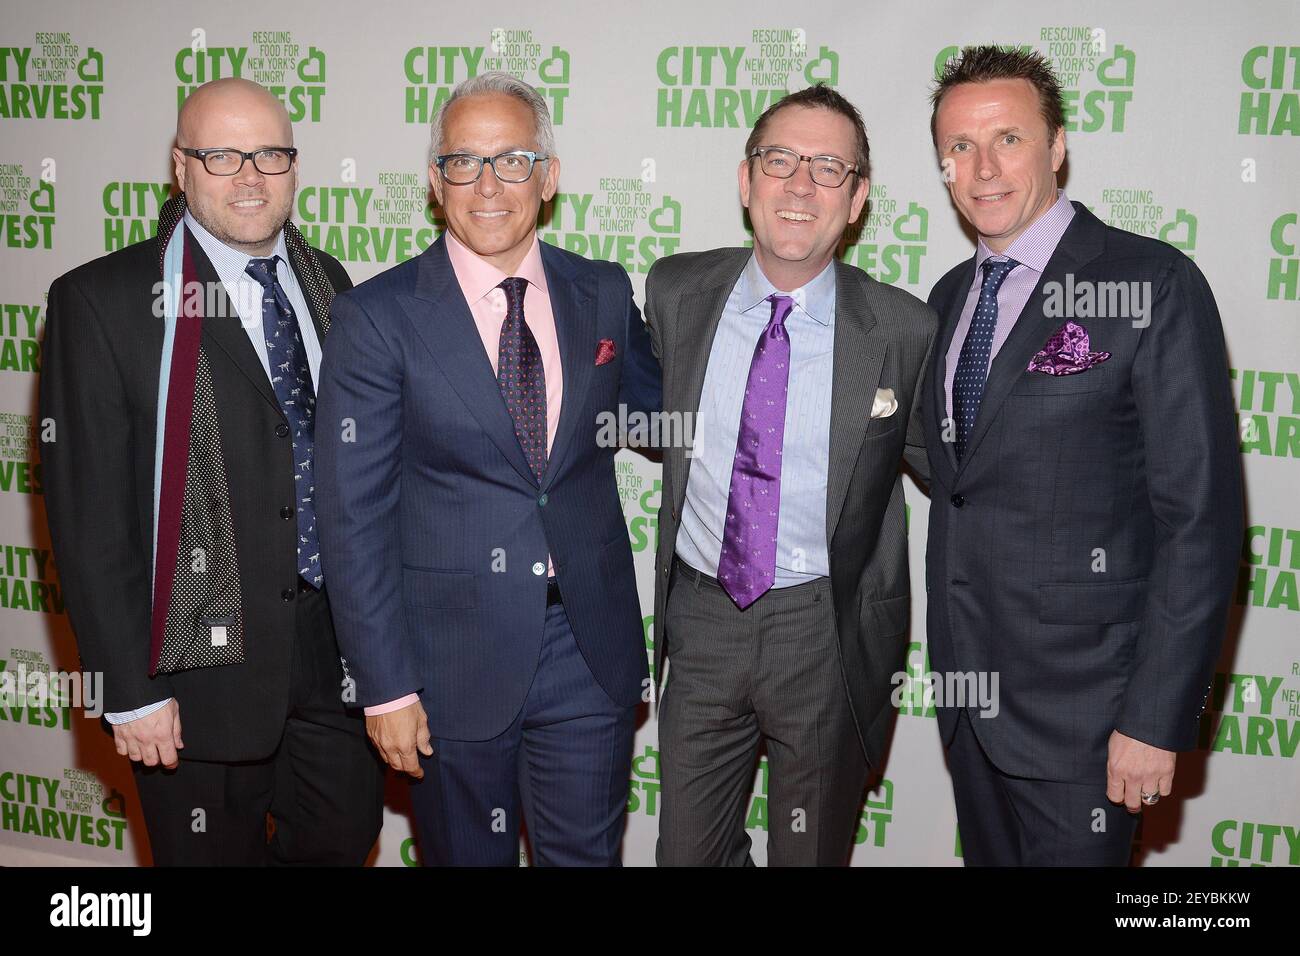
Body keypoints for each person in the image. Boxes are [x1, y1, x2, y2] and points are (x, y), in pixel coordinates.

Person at [315, 73, 661, 866]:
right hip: (446, 662)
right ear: (436, 183)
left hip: (588, 646)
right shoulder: (378, 316)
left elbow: (661, 414)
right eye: (464, 163)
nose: (488, 185)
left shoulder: (602, 292)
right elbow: (350, 515)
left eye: (512, 160)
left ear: (550, 176)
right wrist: (386, 687)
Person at [39, 78, 384, 865]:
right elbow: (90, 522)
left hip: (339, 660)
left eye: (270, 153)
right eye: (222, 155)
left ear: (295, 165)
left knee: (344, 843)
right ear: (180, 167)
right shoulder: (104, 301)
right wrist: (129, 688)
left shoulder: (331, 283)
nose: (250, 175)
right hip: (195, 670)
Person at [923, 46, 1242, 865]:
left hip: (1092, 720)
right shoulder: (950, 298)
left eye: (1009, 139)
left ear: (1058, 145)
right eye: (959, 146)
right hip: (969, 705)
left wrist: (1153, 719)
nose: (983, 167)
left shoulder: (1151, 283)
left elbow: (1199, 525)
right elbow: (962, 480)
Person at [646, 85, 937, 865]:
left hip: (824, 631)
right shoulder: (675, 293)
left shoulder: (905, 330)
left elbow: (963, 472)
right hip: (702, 620)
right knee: (687, 855)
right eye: (780, 160)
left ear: (858, 198)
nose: (800, 185)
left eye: (828, 167)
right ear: (747, 181)